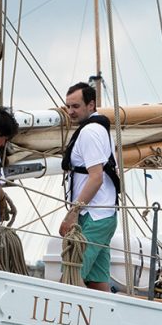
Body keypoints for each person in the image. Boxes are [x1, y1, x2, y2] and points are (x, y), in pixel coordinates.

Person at [59, 82, 119, 292]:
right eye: (68, 107)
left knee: (71, 275)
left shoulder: (89, 133)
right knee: (96, 281)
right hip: (104, 215)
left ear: (91, 105)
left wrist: (72, 213)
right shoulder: (99, 130)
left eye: (76, 106)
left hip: (92, 216)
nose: (70, 112)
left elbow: (96, 177)